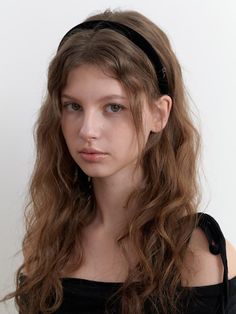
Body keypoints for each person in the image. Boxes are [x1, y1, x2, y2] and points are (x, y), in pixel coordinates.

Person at [1, 8, 236, 314]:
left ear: (159, 114)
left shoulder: (199, 257)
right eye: (73, 106)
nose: (87, 130)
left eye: (113, 107)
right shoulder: (47, 248)